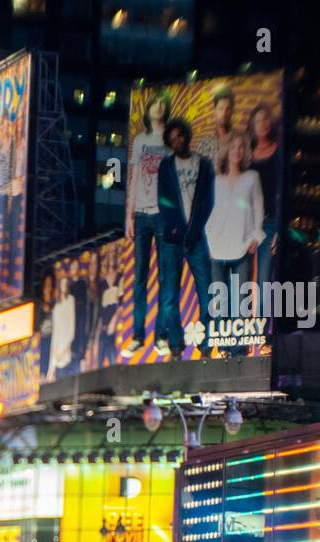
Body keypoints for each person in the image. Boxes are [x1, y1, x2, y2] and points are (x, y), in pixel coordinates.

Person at [156, 117, 215, 358]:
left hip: (197, 238)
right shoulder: (166, 166)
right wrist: (173, 227)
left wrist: (195, 228)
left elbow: (208, 200)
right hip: (171, 239)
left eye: (180, 136)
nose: (177, 141)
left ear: (187, 136)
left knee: (207, 293)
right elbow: (163, 200)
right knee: (169, 295)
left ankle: (205, 344)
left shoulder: (204, 164)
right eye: (172, 139)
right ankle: (176, 346)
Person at [122, 92, 171, 360]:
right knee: (139, 279)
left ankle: (160, 335)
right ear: (149, 109)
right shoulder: (141, 140)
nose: (159, 107)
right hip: (141, 214)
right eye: (155, 103)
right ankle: (137, 336)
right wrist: (128, 215)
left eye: (162, 103)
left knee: (165, 278)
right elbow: (133, 178)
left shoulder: (171, 142)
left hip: (163, 215)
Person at [206, 132, 264, 355]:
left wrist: (256, 238)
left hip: (242, 247)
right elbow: (212, 213)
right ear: (227, 151)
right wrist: (209, 242)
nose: (237, 151)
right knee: (220, 302)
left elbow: (259, 207)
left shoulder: (252, 177)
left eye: (241, 147)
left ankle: (240, 350)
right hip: (217, 247)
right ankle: (223, 349)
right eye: (233, 147)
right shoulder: (217, 181)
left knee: (240, 301)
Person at [247, 104, 282, 294]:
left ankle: (264, 324)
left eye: (266, 118)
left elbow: (281, 189)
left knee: (264, 283)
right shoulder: (244, 154)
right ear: (252, 124)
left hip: (271, 223)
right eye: (258, 120)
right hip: (246, 225)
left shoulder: (280, 152)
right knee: (239, 281)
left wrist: (280, 227)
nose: (263, 123)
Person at [194, 85, 236, 169]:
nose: (224, 113)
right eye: (220, 109)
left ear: (232, 111)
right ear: (214, 111)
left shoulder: (242, 140)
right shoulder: (204, 144)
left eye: (227, 109)